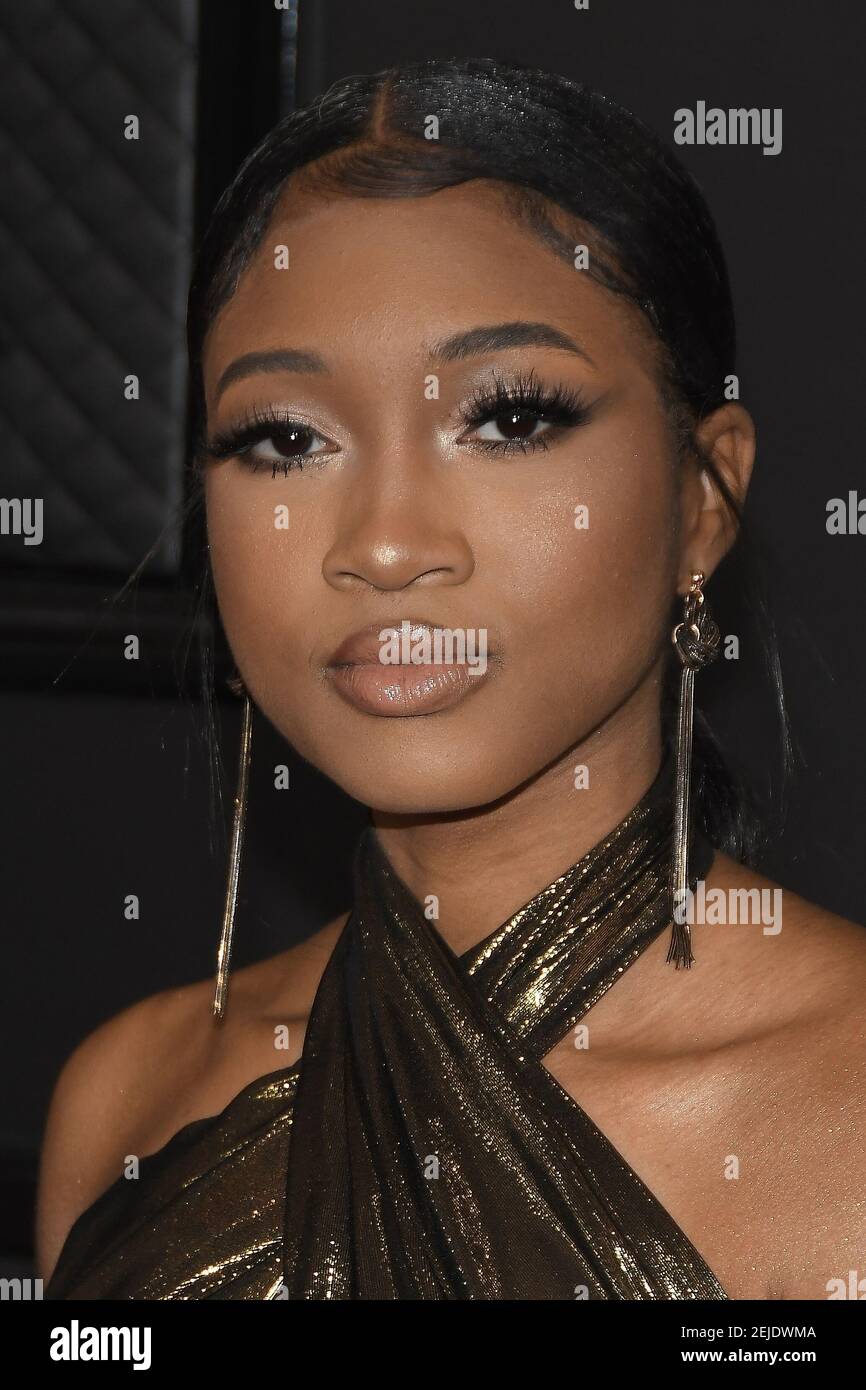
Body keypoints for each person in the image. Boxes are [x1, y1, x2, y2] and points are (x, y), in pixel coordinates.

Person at [36, 57, 866, 1300]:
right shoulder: (128, 1098)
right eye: (284, 439)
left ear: (703, 498)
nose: (381, 543)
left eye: (511, 418)